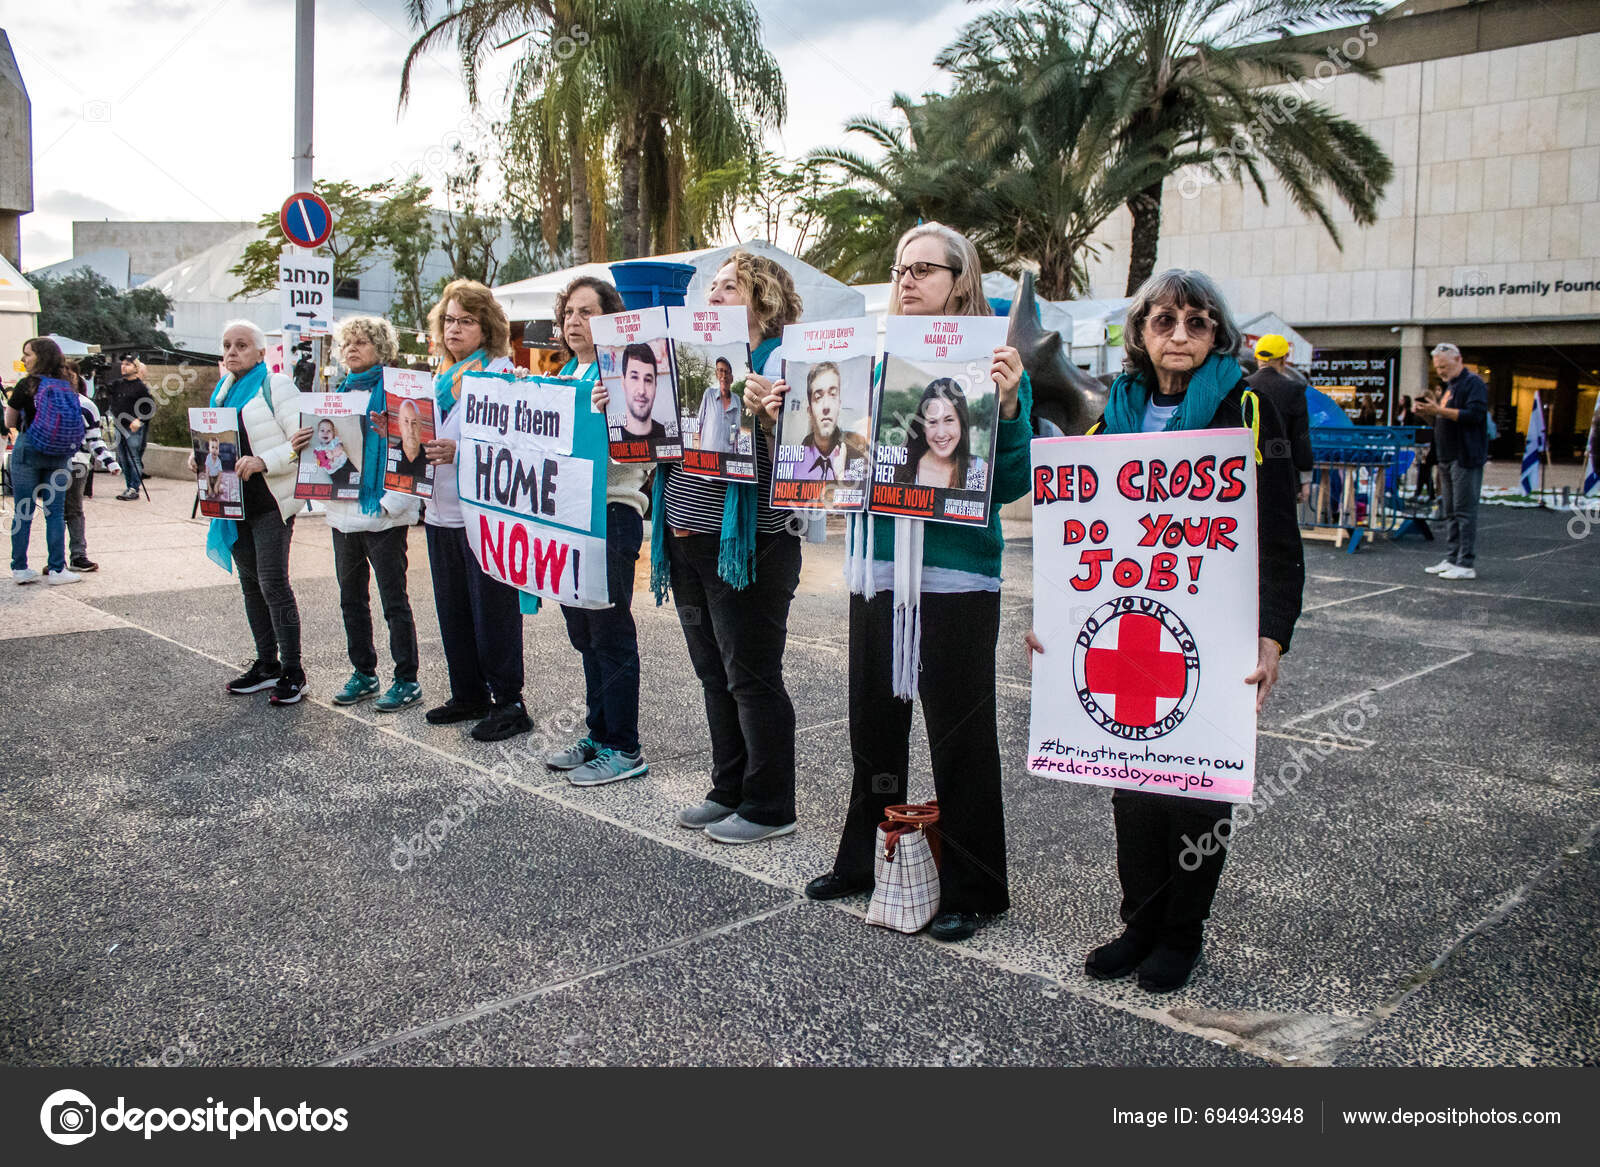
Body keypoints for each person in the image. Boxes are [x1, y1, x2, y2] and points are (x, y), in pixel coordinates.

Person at [1038, 268, 1303, 993]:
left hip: (1216, 629)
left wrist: (1272, 636)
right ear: (1141, 331)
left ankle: (1182, 934)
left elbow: (1279, 534)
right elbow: (1076, 533)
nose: (1179, 335)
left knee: (1198, 788)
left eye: (1196, 321)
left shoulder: (1247, 408)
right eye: (1164, 320)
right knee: (1131, 785)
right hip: (1125, 625)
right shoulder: (1107, 415)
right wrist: (1055, 628)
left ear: (1219, 332)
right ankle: (1139, 924)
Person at [802, 223, 1031, 943]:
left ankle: (974, 885)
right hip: (875, 568)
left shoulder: (993, 363)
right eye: (900, 268)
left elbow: (1012, 485)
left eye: (924, 268)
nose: (906, 279)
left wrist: (1014, 412)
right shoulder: (867, 363)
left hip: (955, 575)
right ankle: (866, 857)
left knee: (960, 734)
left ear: (959, 281)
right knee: (872, 723)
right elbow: (834, 456)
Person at [646, 249, 805, 844]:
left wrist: (773, 420)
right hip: (687, 539)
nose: (713, 295)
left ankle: (770, 805)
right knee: (715, 674)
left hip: (751, 545)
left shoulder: (784, 364)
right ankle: (729, 787)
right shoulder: (692, 365)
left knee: (751, 676)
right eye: (711, 287)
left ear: (763, 302)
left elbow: (811, 463)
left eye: (729, 287)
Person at [540, 277, 653, 786]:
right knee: (584, 634)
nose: (573, 321)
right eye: (568, 312)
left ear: (609, 318)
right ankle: (599, 732)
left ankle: (624, 747)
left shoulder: (625, 372)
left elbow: (645, 448)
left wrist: (614, 413)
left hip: (611, 512)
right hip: (569, 516)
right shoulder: (565, 372)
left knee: (610, 631)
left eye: (586, 312)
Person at [290, 315, 423, 713]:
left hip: (383, 514)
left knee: (393, 601)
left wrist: (390, 503)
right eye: (348, 342)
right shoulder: (335, 395)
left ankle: (406, 679)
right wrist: (302, 445)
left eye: (362, 342)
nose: (352, 348)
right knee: (351, 600)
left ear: (381, 349)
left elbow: (411, 450)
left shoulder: (398, 393)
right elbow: (327, 454)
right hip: (342, 514)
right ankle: (364, 672)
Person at [420, 279, 531, 741]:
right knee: (453, 608)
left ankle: (509, 701)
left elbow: (514, 446)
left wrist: (460, 453)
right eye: (448, 320)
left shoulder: (502, 374)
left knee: (493, 612)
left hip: (485, 515)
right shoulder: (438, 377)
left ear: (487, 328)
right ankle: (467, 693)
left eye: (466, 320)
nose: (455, 329)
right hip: (438, 510)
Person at [196, 320, 307, 704]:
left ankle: (294, 670)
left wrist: (264, 460)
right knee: (251, 586)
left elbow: (303, 441)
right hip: (232, 505)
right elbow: (217, 448)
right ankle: (266, 664)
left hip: (271, 503)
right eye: (226, 345)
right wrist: (200, 465)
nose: (231, 352)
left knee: (273, 583)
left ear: (261, 353)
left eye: (241, 345)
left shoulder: (276, 385)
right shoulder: (222, 392)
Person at [7, 337, 83, 584]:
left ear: (40, 356)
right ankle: (57, 569)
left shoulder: (27, 385)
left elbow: (9, 422)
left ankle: (20, 568)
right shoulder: (67, 384)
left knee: (23, 510)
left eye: (27, 354)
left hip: (28, 449)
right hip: (60, 453)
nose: (23, 359)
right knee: (55, 512)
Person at [1414, 342, 1488, 580]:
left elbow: (1475, 416)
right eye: (1438, 367)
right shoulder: (1450, 386)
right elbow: (1444, 418)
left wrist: (1438, 412)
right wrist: (1430, 413)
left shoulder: (1473, 383)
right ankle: (1452, 557)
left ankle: (1466, 562)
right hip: (1446, 457)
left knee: (1464, 511)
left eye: (1444, 366)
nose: (1441, 371)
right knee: (1451, 511)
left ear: (1459, 360)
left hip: (1464, 457)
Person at [62, 358, 121, 573]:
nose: (67, 377)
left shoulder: (86, 405)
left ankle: (75, 556)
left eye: (70, 373)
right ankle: (62, 558)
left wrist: (109, 461)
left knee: (71, 510)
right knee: (61, 512)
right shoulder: (50, 401)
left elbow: (94, 439)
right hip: (59, 464)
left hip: (76, 464)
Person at [1246, 334, 1313, 503]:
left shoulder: (1242, 386)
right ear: (1284, 358)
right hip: (1281, 470)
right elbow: (1300, 437)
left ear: (1257, 358)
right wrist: (1304, 479)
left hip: (1243, 470)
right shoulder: (1294, 389)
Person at [892, 377, 989, 491]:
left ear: (961, 422)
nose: (941, 433)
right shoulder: (901, 466)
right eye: (932, 422)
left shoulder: (976, 469)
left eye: (949, 420)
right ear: (923, 426)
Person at [788, 361, 866, 482]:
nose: (826, 406)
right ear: (809, 411)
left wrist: (841, 476)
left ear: (839, 405)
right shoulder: (796, 458)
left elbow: (859, 495)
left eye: (833, 395)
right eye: (818, 397)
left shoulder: (857, 450)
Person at [104, 355, 154, 501]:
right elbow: (105, 389)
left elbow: (149, 406)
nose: (123, 367)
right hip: (119, 426)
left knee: (133, 458)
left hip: (133, 428)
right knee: (123, 459)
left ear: (135, 368)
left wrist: (139, 420)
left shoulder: (140, 387)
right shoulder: (118, 384)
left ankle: (134, 488)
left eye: (128, 364)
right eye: (123, 364)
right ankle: (129, 486)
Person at [617, 344, 669, 440]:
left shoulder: (669, 435)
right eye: (634, 377)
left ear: (655, 385)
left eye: (648, 380)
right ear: (623, 382)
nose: (642, 391)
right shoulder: (609, 434)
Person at [695, 355, 742, 452]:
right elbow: (698, 424)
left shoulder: (736, 400)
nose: (723, 375)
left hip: (726, 457)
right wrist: (698, 448)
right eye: (720, 371)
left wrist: (733, 450)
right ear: (716, 374)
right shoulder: (709, 394)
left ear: (732, 378)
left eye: (726, 372)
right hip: (707, 457)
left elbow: (734, 428)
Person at [392, 399, 431, 481]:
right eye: (406, 422)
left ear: (420, 427)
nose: (411, 430)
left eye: (414, 422)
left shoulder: (431, 461)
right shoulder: (389, 455)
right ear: (399, 425)